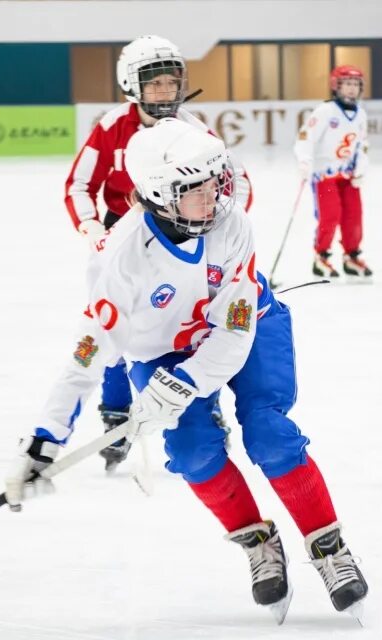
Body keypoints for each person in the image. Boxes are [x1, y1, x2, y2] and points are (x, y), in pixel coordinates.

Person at [6, 119, 368, 621]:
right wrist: (46, 438)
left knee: (269, 433)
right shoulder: (119, 262)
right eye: (193, 187)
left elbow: (234, 332)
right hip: (163, 352)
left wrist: (188, 383)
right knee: (192, 451)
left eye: (213, 179)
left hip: (250, 327)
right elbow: (87, 357)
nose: (213, 194)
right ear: (158, 194)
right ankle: (257, 542)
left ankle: (329, 547)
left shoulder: (232, 224)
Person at [64, 35, 251, 470]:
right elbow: (79, 185)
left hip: (184, 240)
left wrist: (225, 238)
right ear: (132, 86)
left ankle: (202, 401)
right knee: (112, 329)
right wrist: (92, 227)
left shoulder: (196, 130)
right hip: (126, 245)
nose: (166, 92)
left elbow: (236, 186)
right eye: (155, 84)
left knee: (196, 326)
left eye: (173, 82)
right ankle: (115, 410)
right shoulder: (112, 127)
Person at [294, 65, 372, 280]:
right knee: (330, 216)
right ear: (336, 86)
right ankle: (321, 256)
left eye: (355, 85)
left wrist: (361, 168)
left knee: (354, 216)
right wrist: (304, 160)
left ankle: (351, 256)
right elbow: (305, 137)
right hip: (324, 174)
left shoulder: (361, 115)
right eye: (347, 84)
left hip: (348, 176)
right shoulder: (325, 111)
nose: (351, 89)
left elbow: (362, 144)